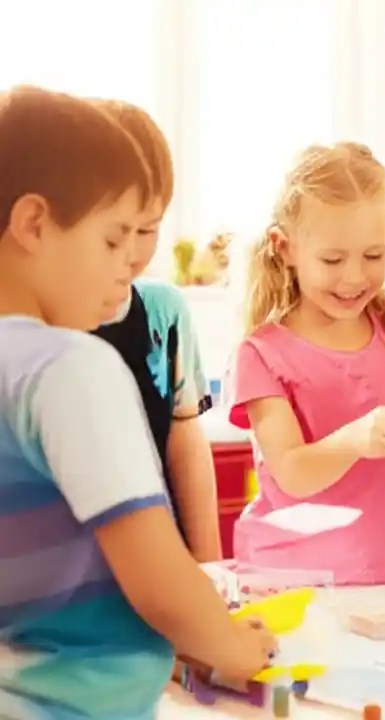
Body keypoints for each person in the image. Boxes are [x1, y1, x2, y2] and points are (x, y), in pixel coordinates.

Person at [0, 85, 274, 718]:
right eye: (112, 239)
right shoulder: (70, 367)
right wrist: (231, 644)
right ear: (35, 223)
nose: (128, 265)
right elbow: (157, 578)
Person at [226, 142, 385, 585]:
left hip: (378, 576)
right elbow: (292, 473)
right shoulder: (261, 353)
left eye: (373, 256)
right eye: (333, 260)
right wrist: (356, 439)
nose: (354, 277)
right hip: (281, 580)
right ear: (286, 249)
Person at [91, 99, 222, 562]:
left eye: (148, 230)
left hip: (162, 562)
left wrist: (208, 567)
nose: (130, 252)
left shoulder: (164, 312)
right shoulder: (39, 326)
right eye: (112, 235)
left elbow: (184, 441)